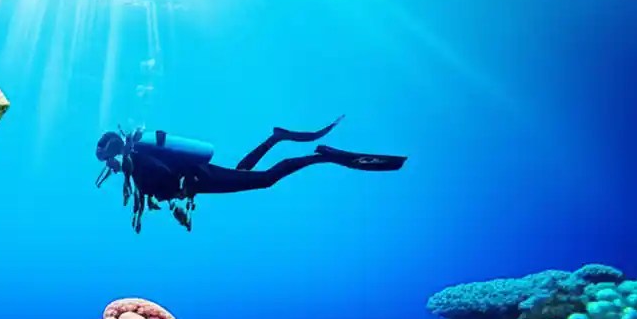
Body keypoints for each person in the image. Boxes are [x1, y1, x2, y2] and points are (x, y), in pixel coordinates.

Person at [94, 116, 406, 232]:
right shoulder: (138, 157)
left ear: (114, 154)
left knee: (265, 179)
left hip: (200, 179)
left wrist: (174, 193)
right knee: (242, 172)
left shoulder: (139, 162)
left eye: (109, 160)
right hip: (200, 177)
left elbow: (162, 179)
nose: (110, 166)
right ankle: (277, 137)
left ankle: (321, 156)